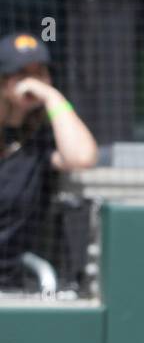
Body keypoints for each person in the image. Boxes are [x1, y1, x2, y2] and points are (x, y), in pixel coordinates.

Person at [0, 32, 98, 291]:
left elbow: (81, 157)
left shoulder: (40, 143)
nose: (30, 83)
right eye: (21, 74)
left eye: (40, 73)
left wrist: (53, 98)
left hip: (10, 285)